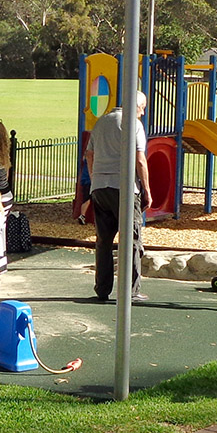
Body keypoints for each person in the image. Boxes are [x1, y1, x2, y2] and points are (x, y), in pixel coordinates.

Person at [84, 91, 150, 303]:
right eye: (143, 108)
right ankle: (130, 290)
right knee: (131, 239)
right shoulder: (133, 124)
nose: (143, 112)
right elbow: (140, 160)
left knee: (103, 240)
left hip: (100, 186)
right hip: (124, 186)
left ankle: (102, 289)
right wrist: (146, 189)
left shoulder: (101, 122)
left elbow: (89, 154)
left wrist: (95, 177)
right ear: (136, 106)